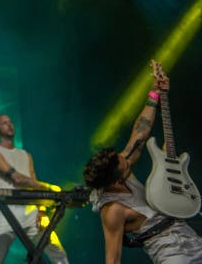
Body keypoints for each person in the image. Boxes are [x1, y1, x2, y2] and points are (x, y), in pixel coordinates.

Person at [83, 64, 202, 263]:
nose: (128, 161)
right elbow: (112, 260)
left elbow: (140, 133)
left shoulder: (120, 165)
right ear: (116, 180)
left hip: (188, 236)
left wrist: (154, 94)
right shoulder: (112, 210)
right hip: (170, 253)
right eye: (125, 165)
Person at [0, 114, 69, 263]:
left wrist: (42, 210)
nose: (10, 125)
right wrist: (49, 187)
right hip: (7, 212)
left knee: (58, 254)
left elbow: (33, 184)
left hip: (31, 214)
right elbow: (17, 178)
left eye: (11, 121)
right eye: (4, 123)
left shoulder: (26, 155)